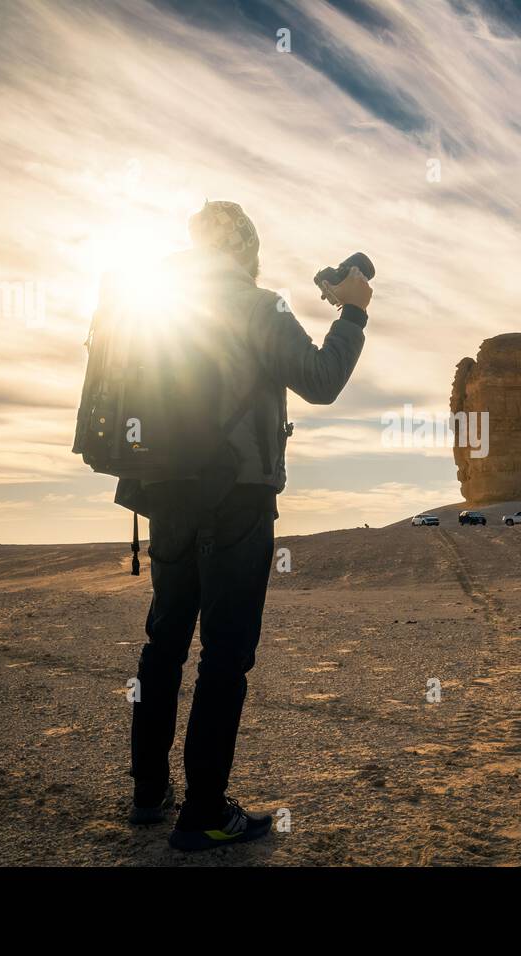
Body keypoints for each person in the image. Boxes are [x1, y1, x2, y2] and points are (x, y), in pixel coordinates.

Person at [119, 200, 371, 850]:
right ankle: (204, 811)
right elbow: (319, 379)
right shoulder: (261, 306)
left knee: (164, 645)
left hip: (167, 498)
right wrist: (354, 311)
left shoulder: (155, 307)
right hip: (237, 499)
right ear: (245, 250)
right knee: (224, 657)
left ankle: (149, 792)